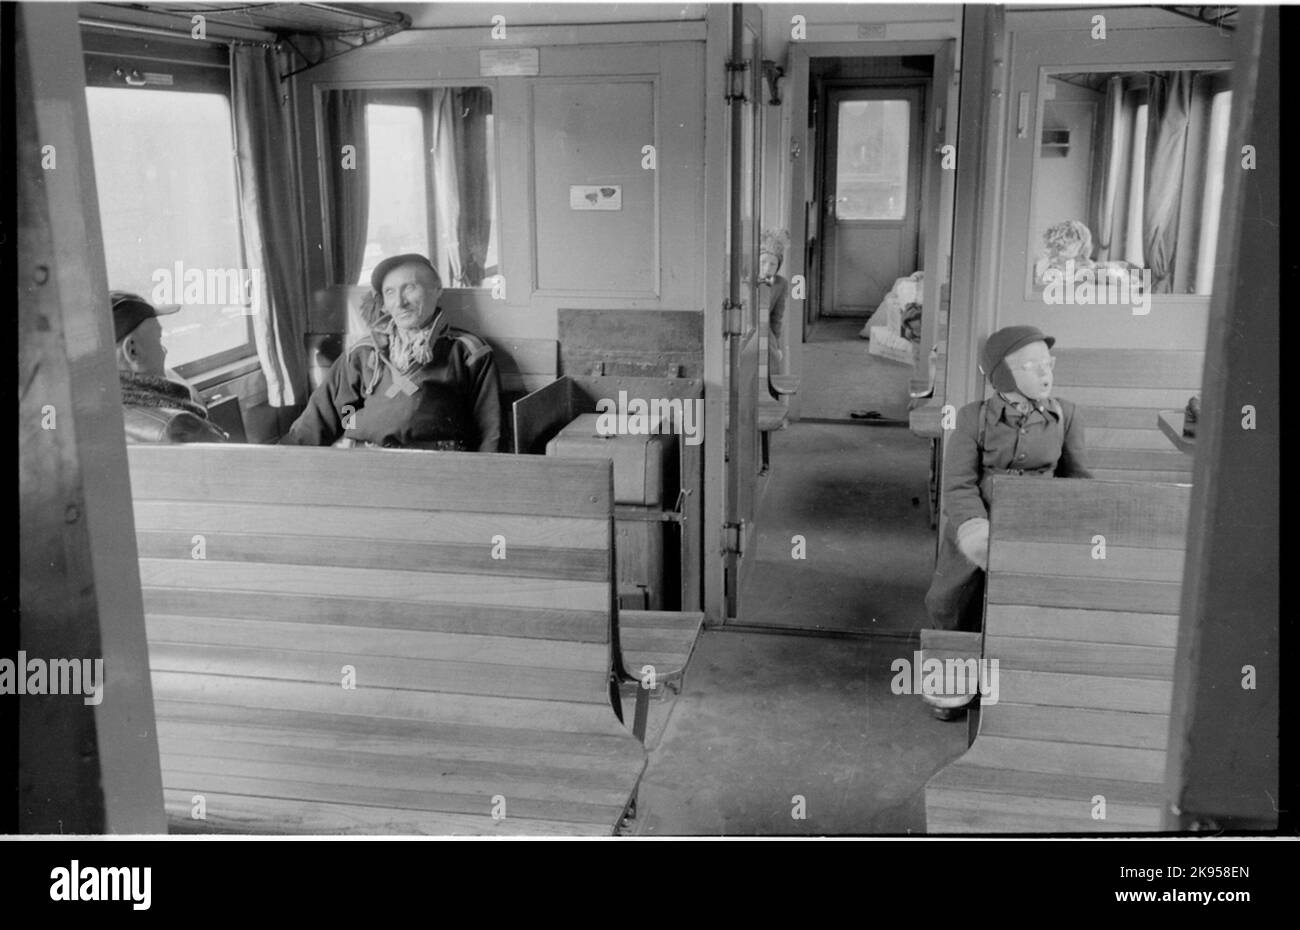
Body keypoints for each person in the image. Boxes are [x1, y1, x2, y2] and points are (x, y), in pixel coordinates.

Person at [922, 325, 1091, 718]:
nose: (1045, 374)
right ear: (1002, 375)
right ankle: (952, 673)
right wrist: (974, 529)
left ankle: (1016, 678)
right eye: (1031, 366)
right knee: (951, 598)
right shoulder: (972, 418)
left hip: (1035, 528)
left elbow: (1078, 480)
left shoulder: (1066, 416)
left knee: (1024, 604)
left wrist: (1075, 530)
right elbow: (958, 484)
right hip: (976, 526)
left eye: (1047, 364)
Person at [281, 253, 501, 451]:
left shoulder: (468, 352)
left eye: (410, 288)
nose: (400, 302)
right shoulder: (364, 353)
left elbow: (490, 431)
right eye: (390, 292)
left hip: (437, 466)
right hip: (366, 461)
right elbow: (333, 412)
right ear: (384, 303)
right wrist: (354, 428)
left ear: (437, 289)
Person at [112, 291, 228, 444]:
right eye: (158, 339)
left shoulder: (101, 414)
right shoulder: (182, 428)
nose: (164, 352)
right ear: (133, 351)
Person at [759, 229, 790, 399]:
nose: (767, 268)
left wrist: (776, 344)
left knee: (772, 364)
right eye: (763, 262)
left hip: (766, 332)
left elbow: (776, 318)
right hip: (745, 331)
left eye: (773, 264)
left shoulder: (781, 284)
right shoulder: (745, 280)